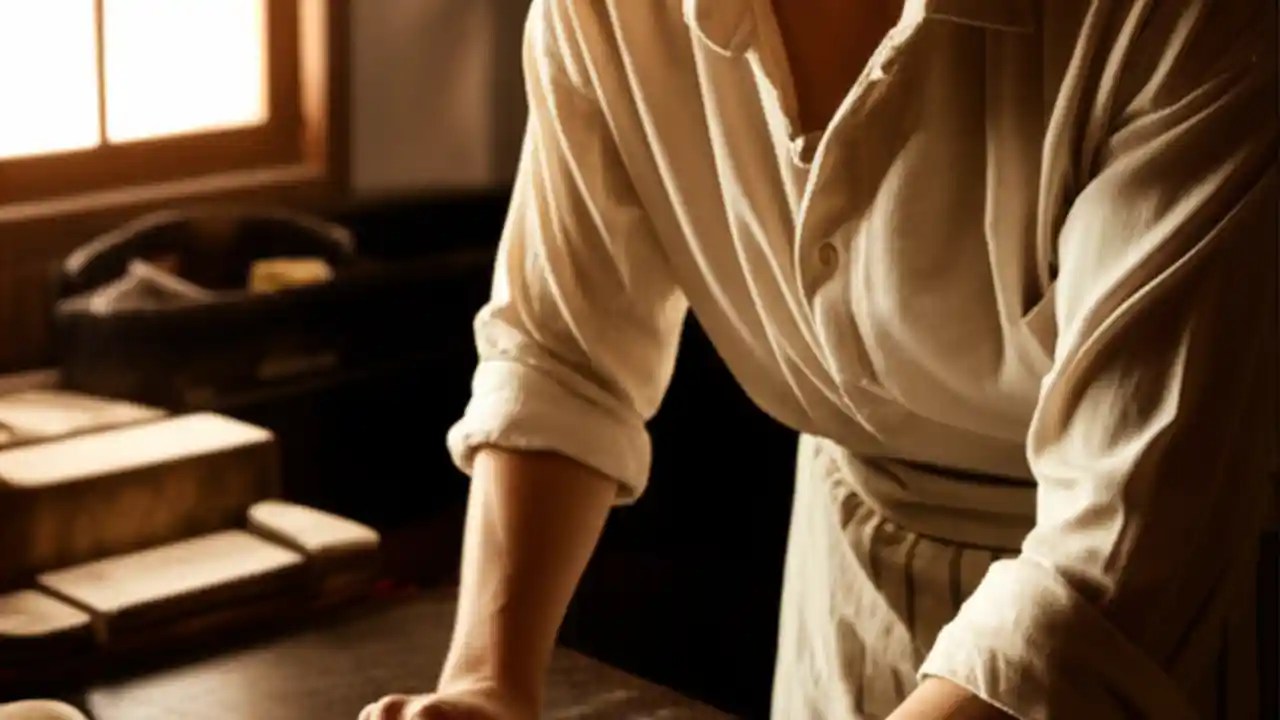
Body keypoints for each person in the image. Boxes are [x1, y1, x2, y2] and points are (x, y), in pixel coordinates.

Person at [362, 0, 1279, 717]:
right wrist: (487, 681)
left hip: (1155, 618)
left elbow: (1114, 554)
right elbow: (562, 357)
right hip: (849, 594)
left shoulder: (1186, 20)